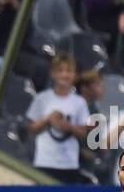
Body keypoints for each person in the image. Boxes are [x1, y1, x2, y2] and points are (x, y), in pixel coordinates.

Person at [26, 53, 94, 183]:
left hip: (69, 163)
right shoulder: (42, 98)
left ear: (75, 75)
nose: (64, 74)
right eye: (60, 71)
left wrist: (66, 126)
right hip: (44, 161)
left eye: (69, 71)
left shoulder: (79, 102)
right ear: (53, 74)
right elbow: (31, 129)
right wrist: (48, 119)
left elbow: (83, 134)